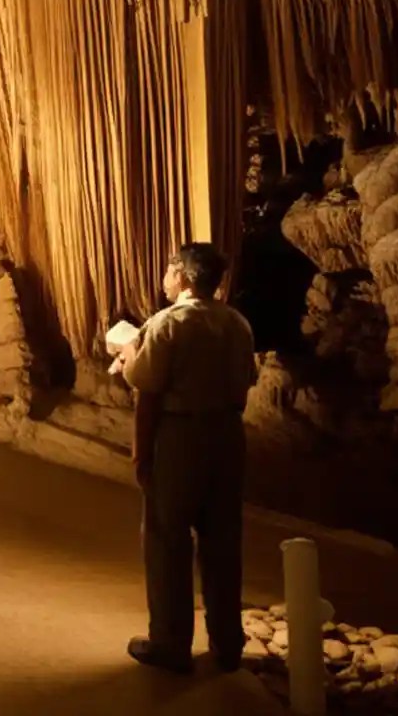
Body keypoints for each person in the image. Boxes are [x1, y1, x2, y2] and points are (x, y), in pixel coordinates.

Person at [112, 243, 257, 675]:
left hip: (181, 435)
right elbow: (246, 379)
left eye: (170, 268)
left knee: (167, 537)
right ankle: (227, 643)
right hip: (229, 437)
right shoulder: (236, 323)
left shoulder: (168, 323)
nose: (166, 276)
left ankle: (171, 642)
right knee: (223, 540)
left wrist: (128, 355)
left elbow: (147, 387)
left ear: (185, 277)